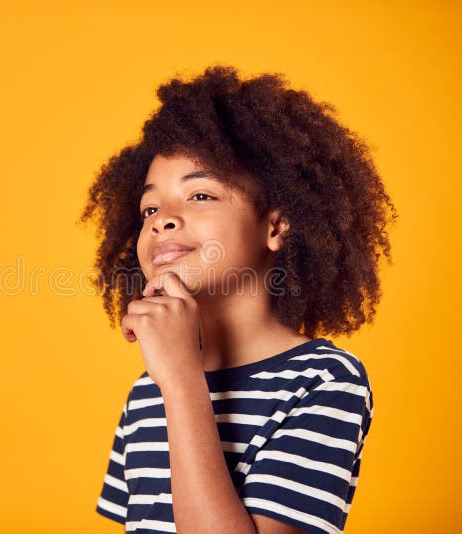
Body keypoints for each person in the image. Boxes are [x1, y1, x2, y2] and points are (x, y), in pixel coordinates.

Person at [79, 65, 397, 534]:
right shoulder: (147, 392)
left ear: (275, 226)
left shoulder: (324, 381)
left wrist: (182, 382)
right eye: (150, 208)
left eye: (200, 195)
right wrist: (171, 379)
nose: (161, 219)